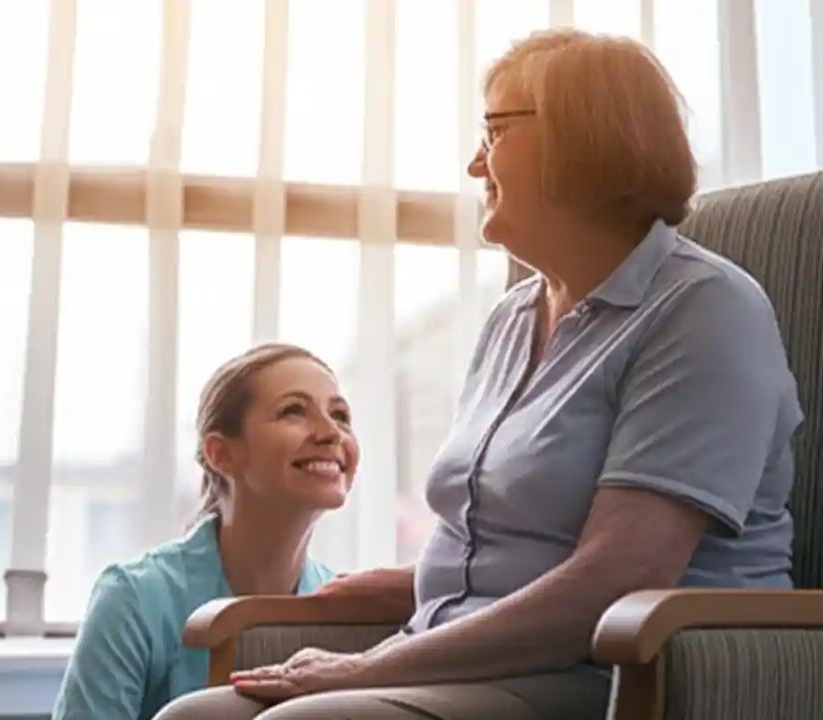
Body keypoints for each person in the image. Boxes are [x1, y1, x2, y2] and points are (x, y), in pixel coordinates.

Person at [155, 27, 803, 720]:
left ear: (580, 136)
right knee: (194, 717)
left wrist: (366, 668)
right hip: (465, 660)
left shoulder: (704, 310)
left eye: (493, 132)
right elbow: (514, 543)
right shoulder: (512, 317)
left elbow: (619, 577)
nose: (474, 164)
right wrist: (410, 587)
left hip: (611, 671)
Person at [51, 342, 361, 720]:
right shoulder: (132, 599)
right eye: (293, 411)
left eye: (340, 415)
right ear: (221, 454)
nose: (332, 433)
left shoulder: (345, 610)